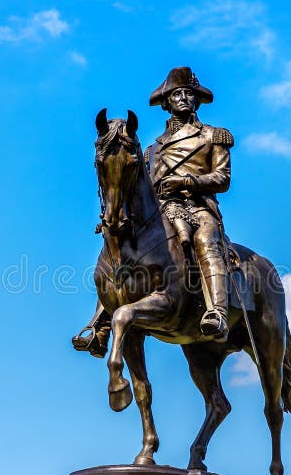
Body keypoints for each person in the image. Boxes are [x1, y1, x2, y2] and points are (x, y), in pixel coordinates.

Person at [72, 67, 234, 356]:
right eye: (177, 94)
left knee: (206, 242)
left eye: (189, 94)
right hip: (161, 212)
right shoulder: (152, 149)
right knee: (119, 246)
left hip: (198, 208)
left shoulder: (213, 136)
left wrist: (187, 181)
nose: (184, 98)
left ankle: (217, 312)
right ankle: (101, 324)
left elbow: (222, 179)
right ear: (166, 102)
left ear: (197, 100)